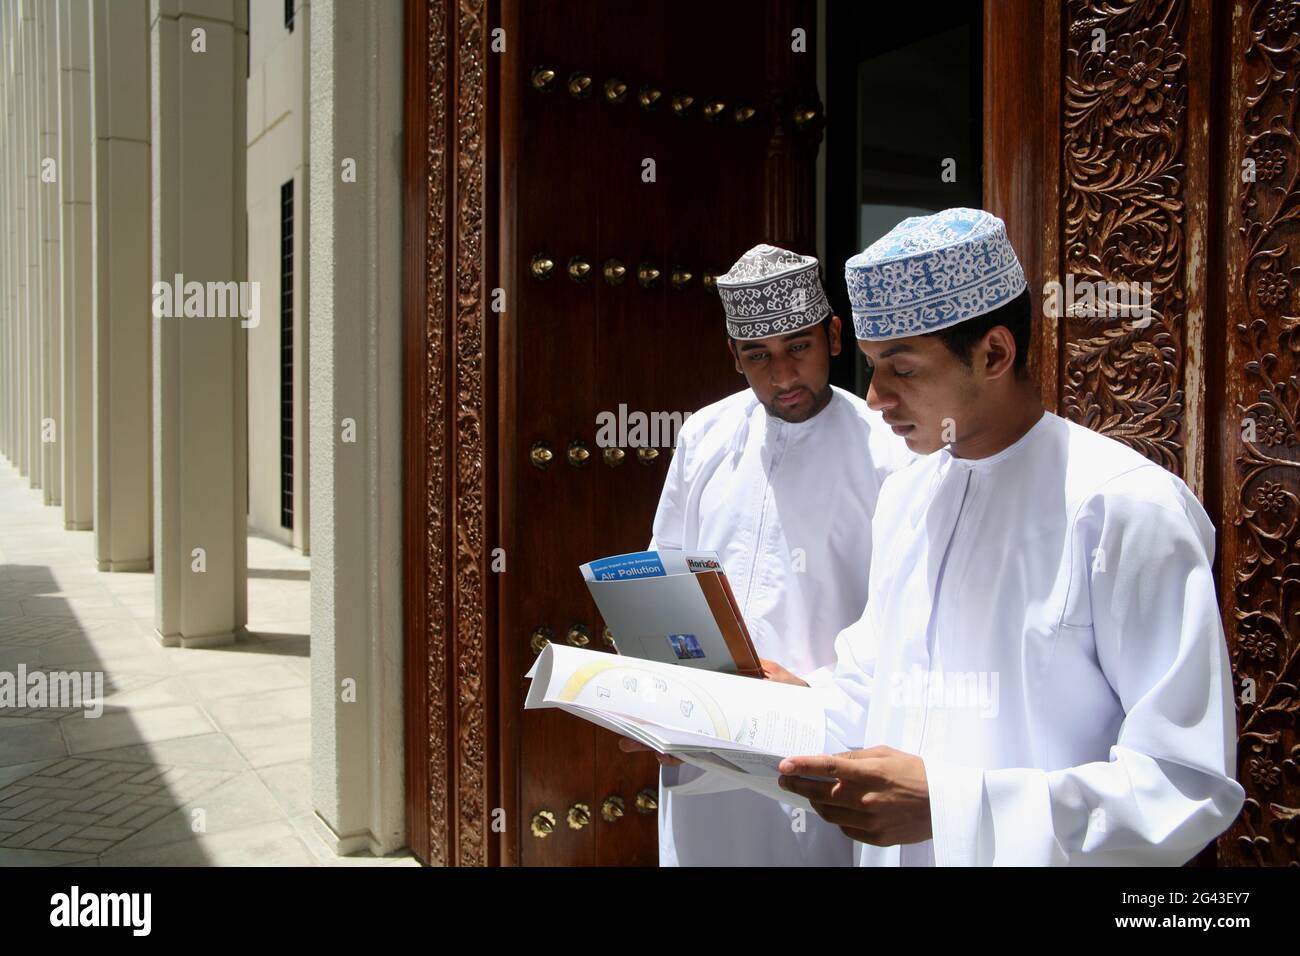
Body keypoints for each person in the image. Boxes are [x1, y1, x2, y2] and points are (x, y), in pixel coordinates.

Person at [773, 207, 1244, 865]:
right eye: (873, 366)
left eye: (901, 369)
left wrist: (957, 807)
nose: (876, 397)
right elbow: (867, 695)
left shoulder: (1120, 508)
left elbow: (1183, 785)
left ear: (994, 353)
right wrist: (723, 713)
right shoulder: (907, 495)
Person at [619, 244, 911, 866]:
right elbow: (663, 568)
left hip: (819, 737)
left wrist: (812, 691)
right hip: (703, 738)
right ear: (734, 356)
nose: (781, 376)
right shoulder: (704, 434)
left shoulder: (891, 454)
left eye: (797, 348)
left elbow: (906, 619)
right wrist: (654, 693)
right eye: (758, 356)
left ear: (833, 335)